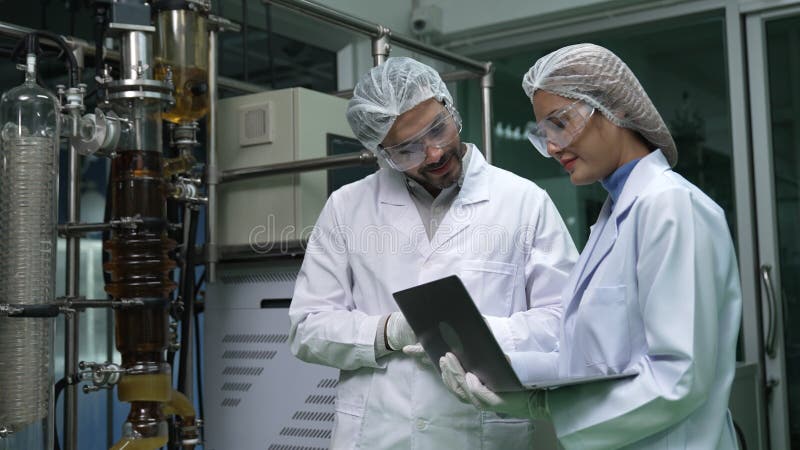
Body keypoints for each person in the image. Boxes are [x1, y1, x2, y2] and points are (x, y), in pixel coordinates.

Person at [439, 43, 743, 449]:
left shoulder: (670, 206)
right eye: (544, 133)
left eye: (560, 124)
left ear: (614, 109)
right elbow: (590, 360)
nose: (552, 147)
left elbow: (678, 378)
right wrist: (507, 370)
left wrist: (547, 406)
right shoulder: (614, 217)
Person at [288, 57, 578, 449]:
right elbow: (307, 328)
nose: (434, 153)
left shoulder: (525, 202)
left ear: (449, 108)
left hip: (482, 433)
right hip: (380, 434)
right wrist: (387, 331)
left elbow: (566, 322)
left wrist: (483, 335)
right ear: (382, 153)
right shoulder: (347, 207)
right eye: (407, 149)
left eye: (438, 129)